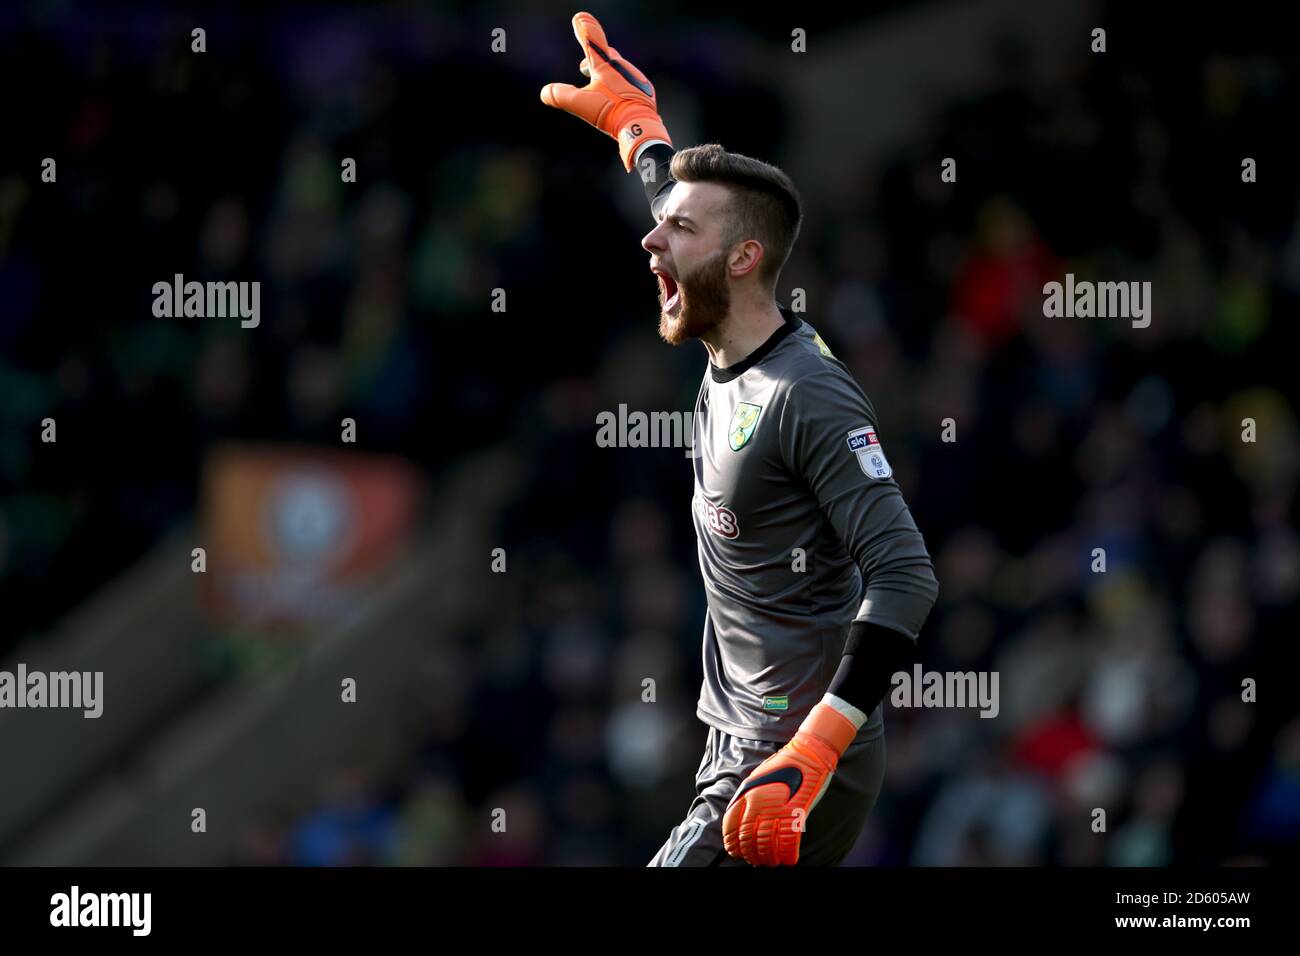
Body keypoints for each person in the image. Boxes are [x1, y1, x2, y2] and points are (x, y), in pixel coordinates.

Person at [541, 12, 940, 867]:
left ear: (745, 259)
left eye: (679, 232)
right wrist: (639, 130)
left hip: (787, 765)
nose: (652, 237)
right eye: (663, 223)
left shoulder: (805, 395)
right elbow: (672, 205)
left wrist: (814, 750)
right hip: (741, 748)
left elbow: (906, 576)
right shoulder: (730, 328)